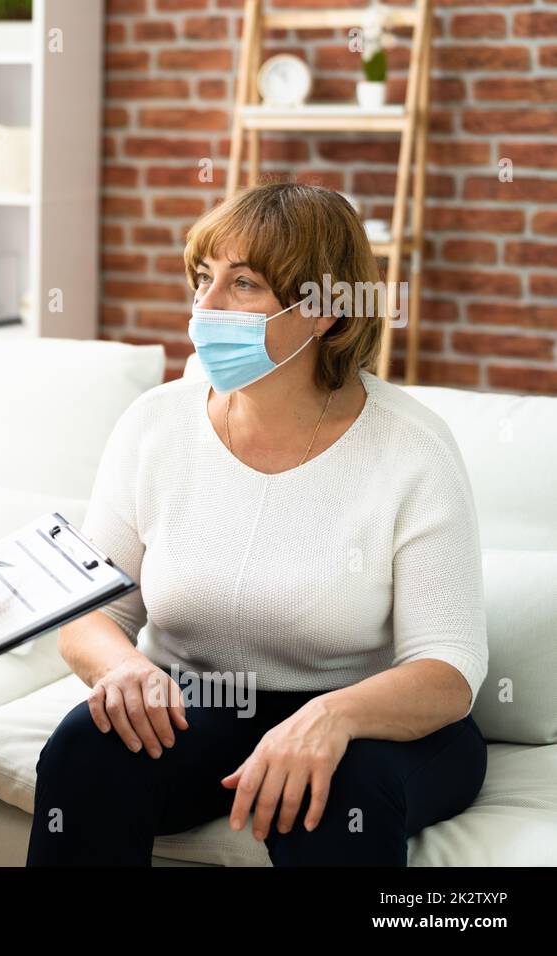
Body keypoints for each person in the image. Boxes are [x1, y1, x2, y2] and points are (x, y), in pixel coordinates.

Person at [26, 182, 488, 866]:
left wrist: (329, 719)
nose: (206, 308)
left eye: (243, 285)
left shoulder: (410, 447)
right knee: (83, 754)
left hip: (377, 721)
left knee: (332, 800)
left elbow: (448, 669)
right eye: (204, 279)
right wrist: (123, 667)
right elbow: (92, 613)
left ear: (327, 312)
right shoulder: (156, 425)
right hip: (204, 703)